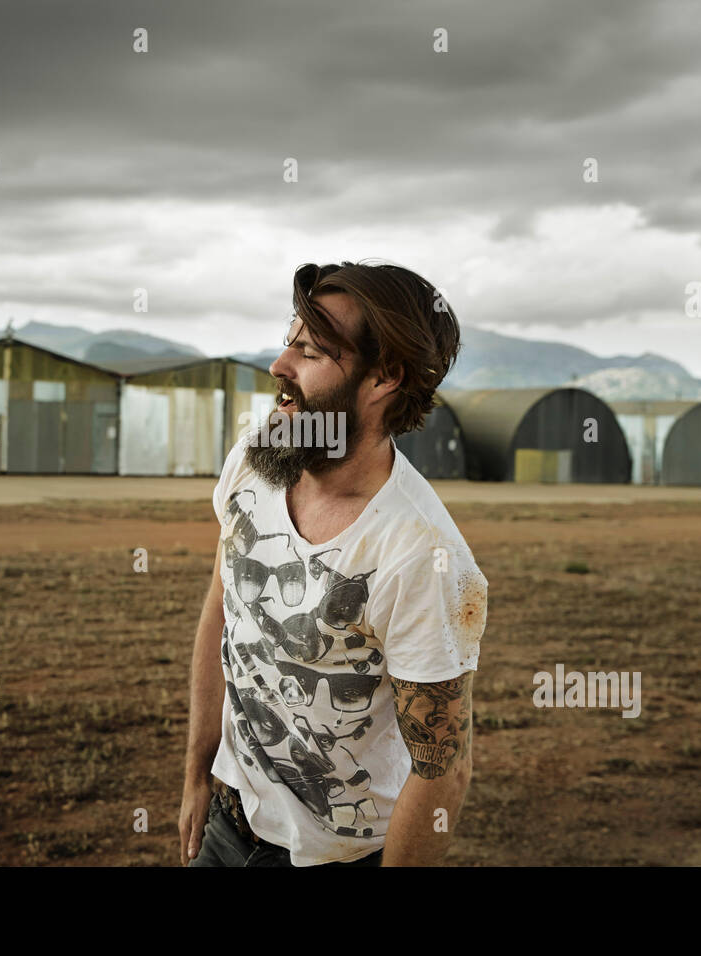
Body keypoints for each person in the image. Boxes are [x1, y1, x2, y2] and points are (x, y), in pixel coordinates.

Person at [178, 260, 488, 867]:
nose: (279, 367)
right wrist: (197, 772)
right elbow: (223, 609)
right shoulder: (257, 457)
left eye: (313, 352)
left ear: (384, 378)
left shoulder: (421, 553)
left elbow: (443, 772)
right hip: (226, 824)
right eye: (290, 340)